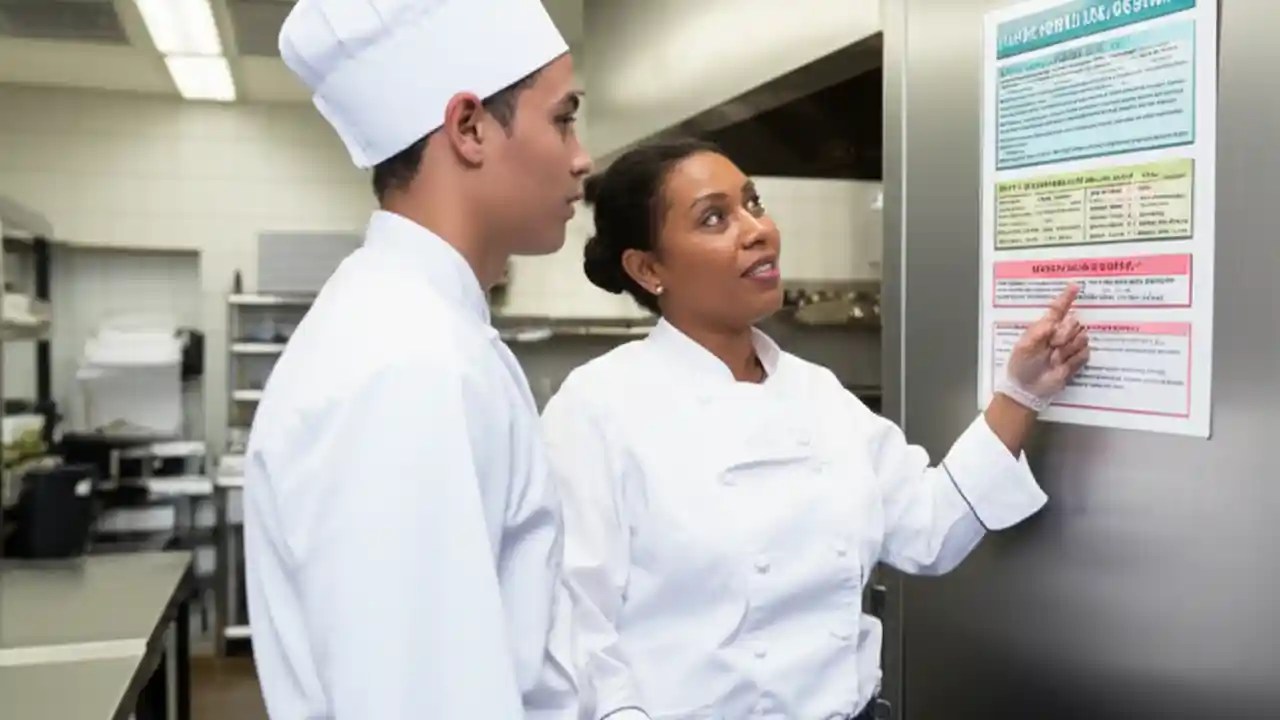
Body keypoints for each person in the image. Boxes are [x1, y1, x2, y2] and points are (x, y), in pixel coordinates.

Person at [541, 138, 1090, 720]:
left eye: (753, 202)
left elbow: (930, 528)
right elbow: (576, 633)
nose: (757, 229)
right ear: (648, 268)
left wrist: (1021, 394)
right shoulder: (600, 406)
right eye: (714, 217)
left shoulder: (815, 391)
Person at [242, 1, 591, 718]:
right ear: (469, 128)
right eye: (563, 117)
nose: (582, 155)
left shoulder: (422, 331)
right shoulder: (407, 365)